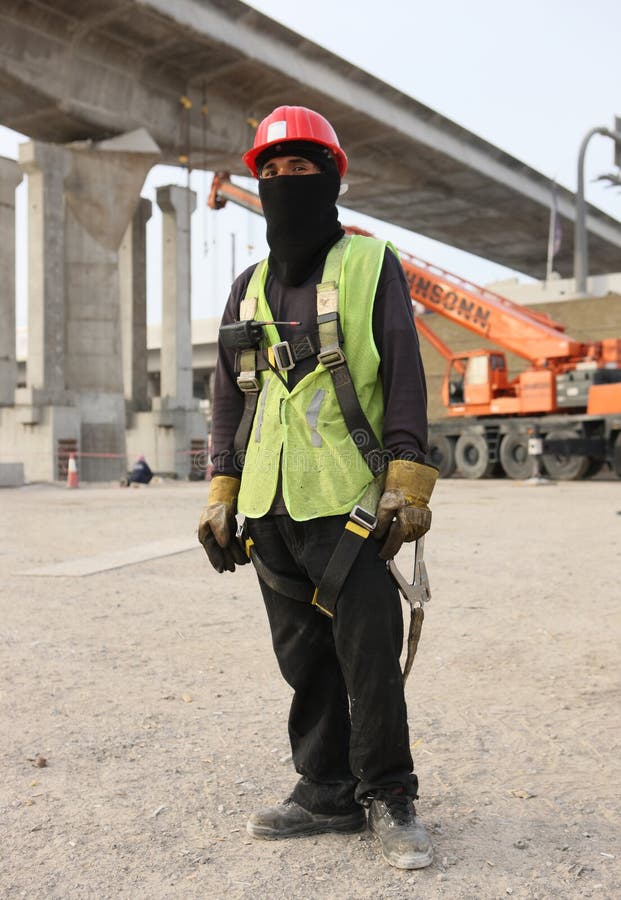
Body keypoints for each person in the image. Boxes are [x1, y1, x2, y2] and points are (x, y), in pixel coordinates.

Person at [198, 106, 438, 870]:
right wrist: (220, 490)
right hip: (269, 501)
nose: (282, 184)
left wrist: (407, 480)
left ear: (332, 176)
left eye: (300, 170)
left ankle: (390, 796)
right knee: (302, 657)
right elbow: (229, 396)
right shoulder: (248, 285)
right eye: (269, 173)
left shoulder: (370, 265)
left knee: (367, 654)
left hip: (351, 497)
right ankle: (325, 790)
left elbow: (403, 372)